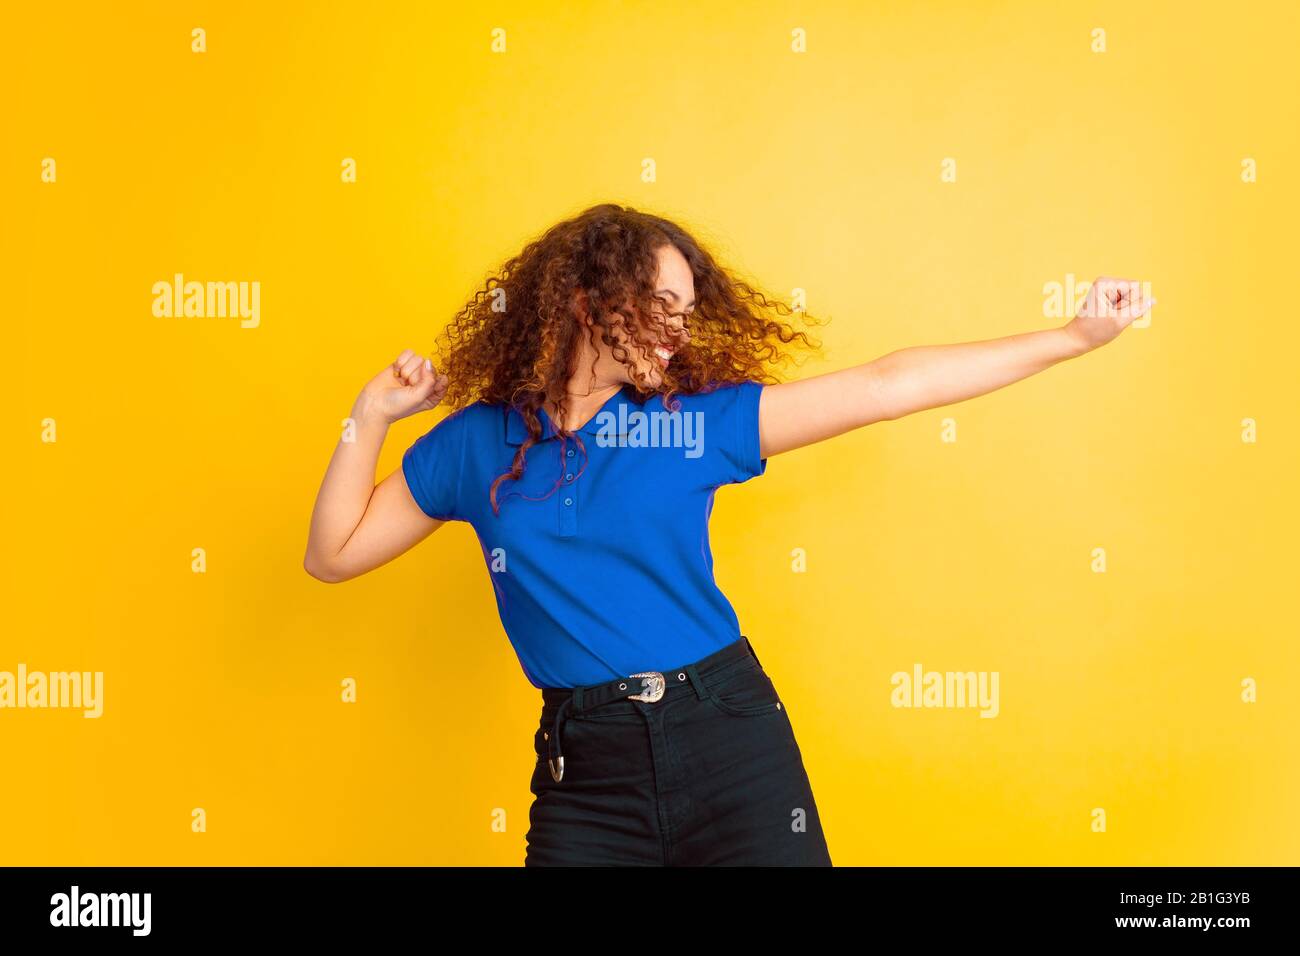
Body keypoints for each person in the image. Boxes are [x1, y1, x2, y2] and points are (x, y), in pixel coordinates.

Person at [303, 202, 1153, 866]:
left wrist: (1074, 338)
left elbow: (891, 384)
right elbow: (332, 555)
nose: (677, 327)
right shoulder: (472, 446)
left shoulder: (691, 425)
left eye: (686, 308)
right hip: (585, 775)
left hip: (729, 740)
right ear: (587, 301)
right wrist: (369, 414)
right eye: (659, 303)